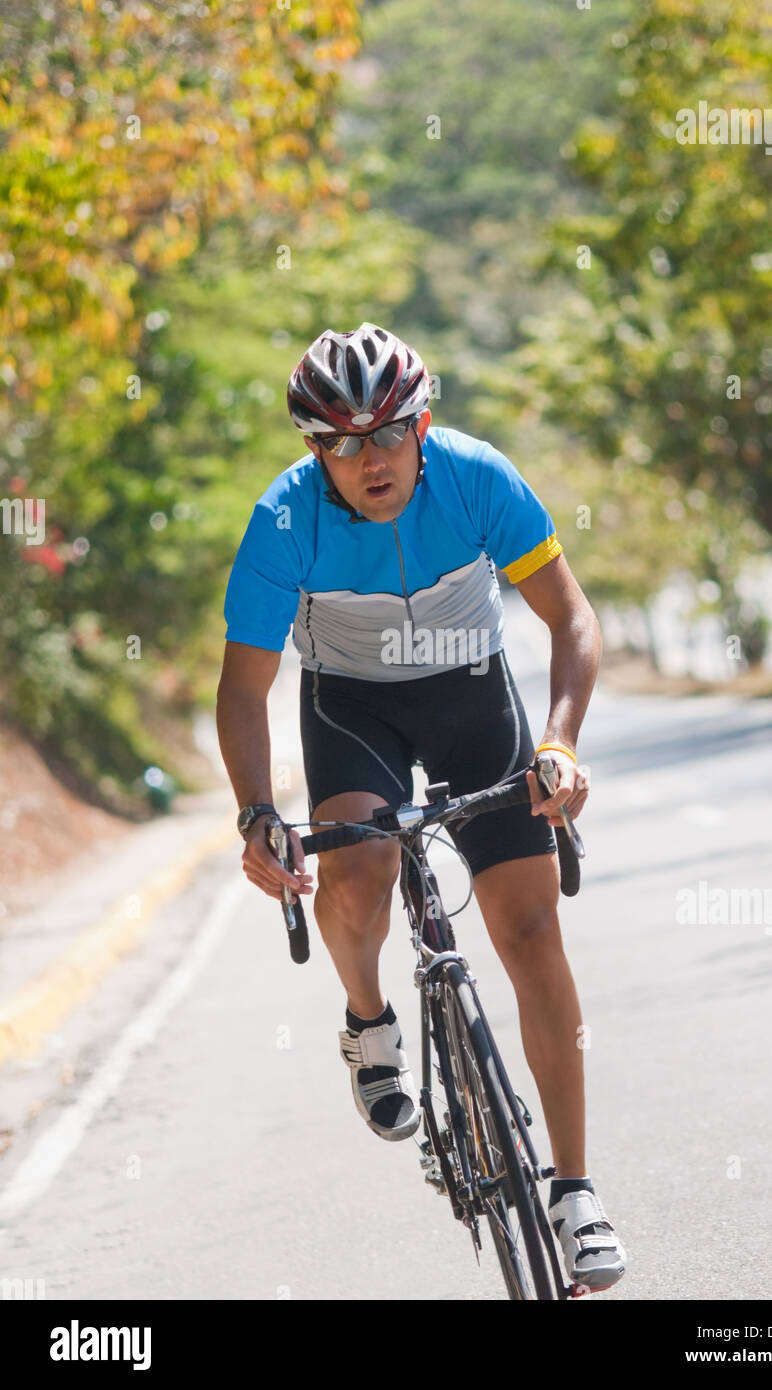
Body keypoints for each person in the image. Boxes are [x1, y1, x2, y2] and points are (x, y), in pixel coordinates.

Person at [216, 322, 626, 1292]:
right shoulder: (284, 519)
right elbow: (243, 689)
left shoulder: (480, 478)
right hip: (351, 707)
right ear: (316, 451)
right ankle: (369, 1019)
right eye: (341, 443)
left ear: (423, 424)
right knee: (360, 869)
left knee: (530, 930)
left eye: (387, 434)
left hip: (471, 694)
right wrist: (255, 813)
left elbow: (572, 617)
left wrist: (560, 741)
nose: (369, 458)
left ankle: (573, 1186)